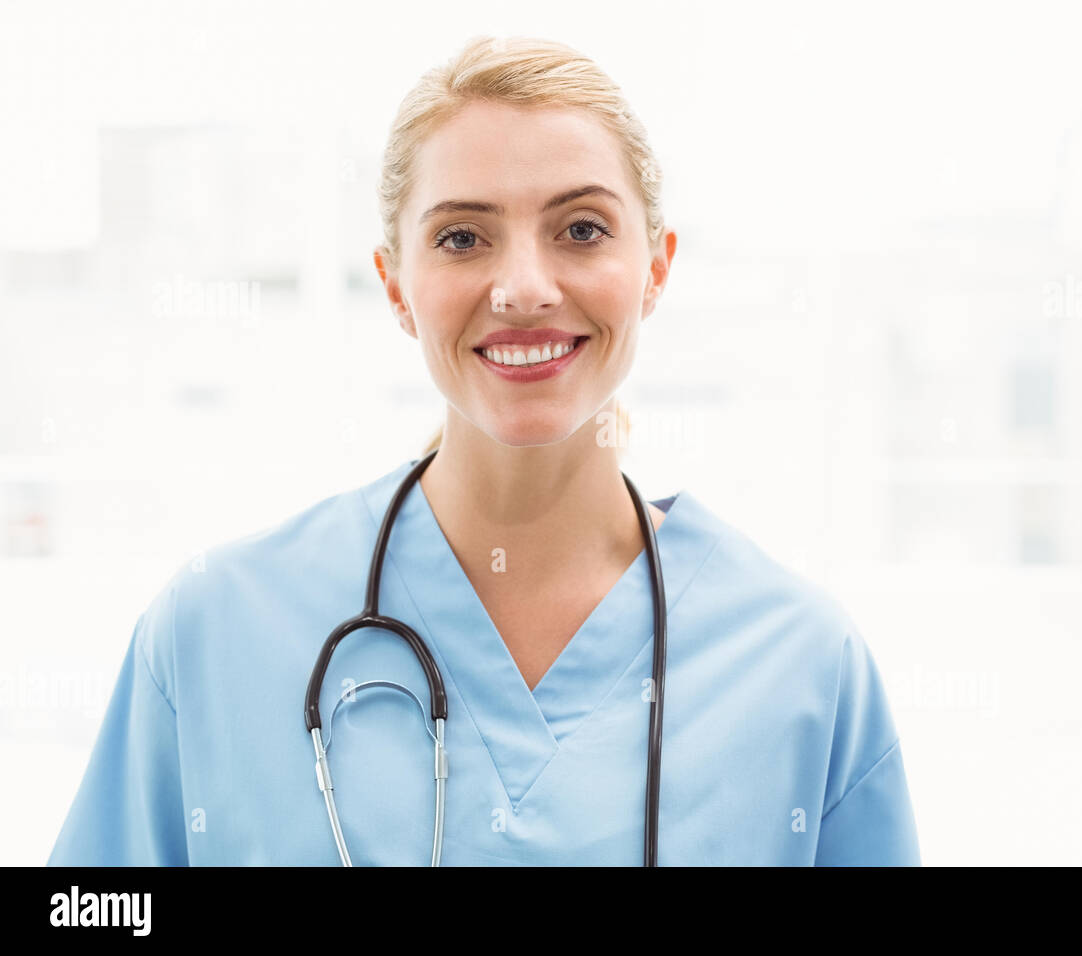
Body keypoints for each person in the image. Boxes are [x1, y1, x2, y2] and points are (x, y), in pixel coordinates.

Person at [46, 35, 920, 866]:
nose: (525, 289)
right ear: (395, 286)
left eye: (581, 229)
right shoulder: (214, 633)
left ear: (656, 267)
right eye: (463, 237)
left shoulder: (802, 663)